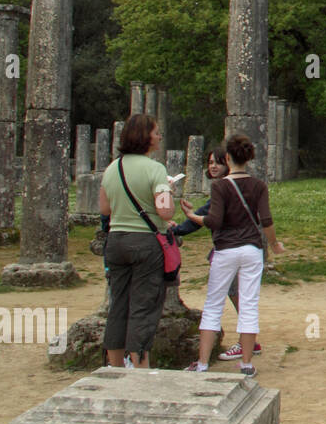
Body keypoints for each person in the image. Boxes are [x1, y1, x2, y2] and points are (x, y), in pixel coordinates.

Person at [185, 135, 285, 377]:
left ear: (227, 158)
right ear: (248, 159)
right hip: (252, 249)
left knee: (213, 304)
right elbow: (266, 220)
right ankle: (247, 363)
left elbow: (213, 221)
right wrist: (273, 243)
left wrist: (191, 216)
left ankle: (202, 363)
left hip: (226, 249)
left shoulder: (220, 186)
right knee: (249, 303)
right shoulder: (259, 186)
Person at [99, 114, 176, 369]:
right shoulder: (155, 169)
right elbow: (165, 212)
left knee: (118, 305)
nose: (159, 136)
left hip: (115, 242)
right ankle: (140, 368)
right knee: (143, 306)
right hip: (144, 245)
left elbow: (104, 208)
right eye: (156, 132)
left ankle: (114, 367)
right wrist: (167, 192)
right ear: (145, 137)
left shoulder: (112, 168)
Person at [174, 149, 262, 360]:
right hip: (242, 247)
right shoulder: (228, 186)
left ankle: (246, 342)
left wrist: (179, 228)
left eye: (218, 163)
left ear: (228, 164)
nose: (213, 166)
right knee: (237, 295)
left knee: (235, 295)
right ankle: (250, 341)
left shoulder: (225, 188)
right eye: (210, 162)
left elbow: (208, 217)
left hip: (235, 249)